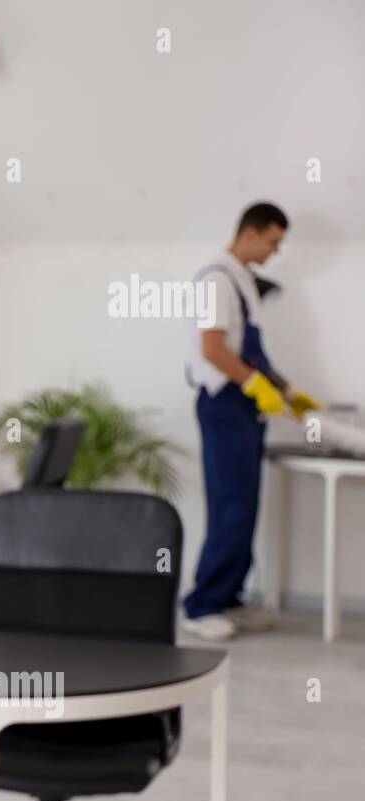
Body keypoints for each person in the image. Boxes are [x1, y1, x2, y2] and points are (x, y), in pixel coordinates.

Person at [181, 201, 320, 641]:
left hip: (243, 408)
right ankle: (201, 606)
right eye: (274, 242)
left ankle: (229, 599)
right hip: (224, 405)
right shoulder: (216, 280)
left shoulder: (241, 281)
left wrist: (285, 389)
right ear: (251, 233)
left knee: (245, 506)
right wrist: (256, 385)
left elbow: (250, 353)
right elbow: (214, 350)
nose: (276, 252)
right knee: (230, 505)